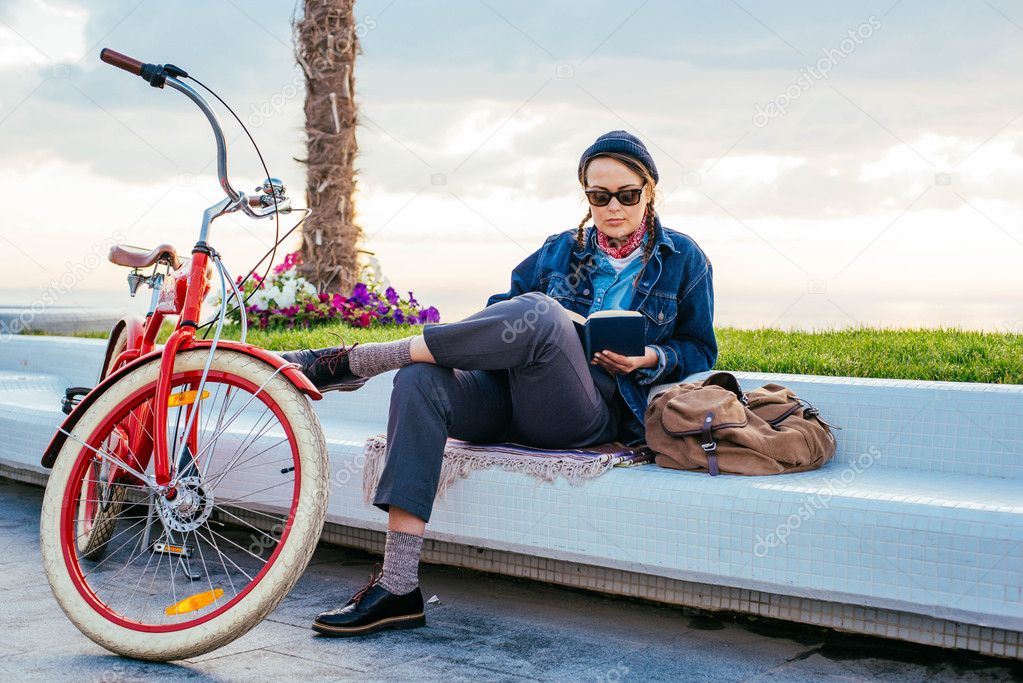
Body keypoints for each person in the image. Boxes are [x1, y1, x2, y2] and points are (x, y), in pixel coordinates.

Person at [280, 130, 717, 637]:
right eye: (599, 197)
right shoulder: (559, 251)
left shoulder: (682, 258)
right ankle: (398, 587)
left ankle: (360, 361)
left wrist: (648, 357)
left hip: (586, 412)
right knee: (421, 378)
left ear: (650, 191)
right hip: (510, 397)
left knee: (542, 312)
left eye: (627, 195)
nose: (612, 207)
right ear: (586, 196)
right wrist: (533, 326)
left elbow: (700, 349)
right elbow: (499, 317)